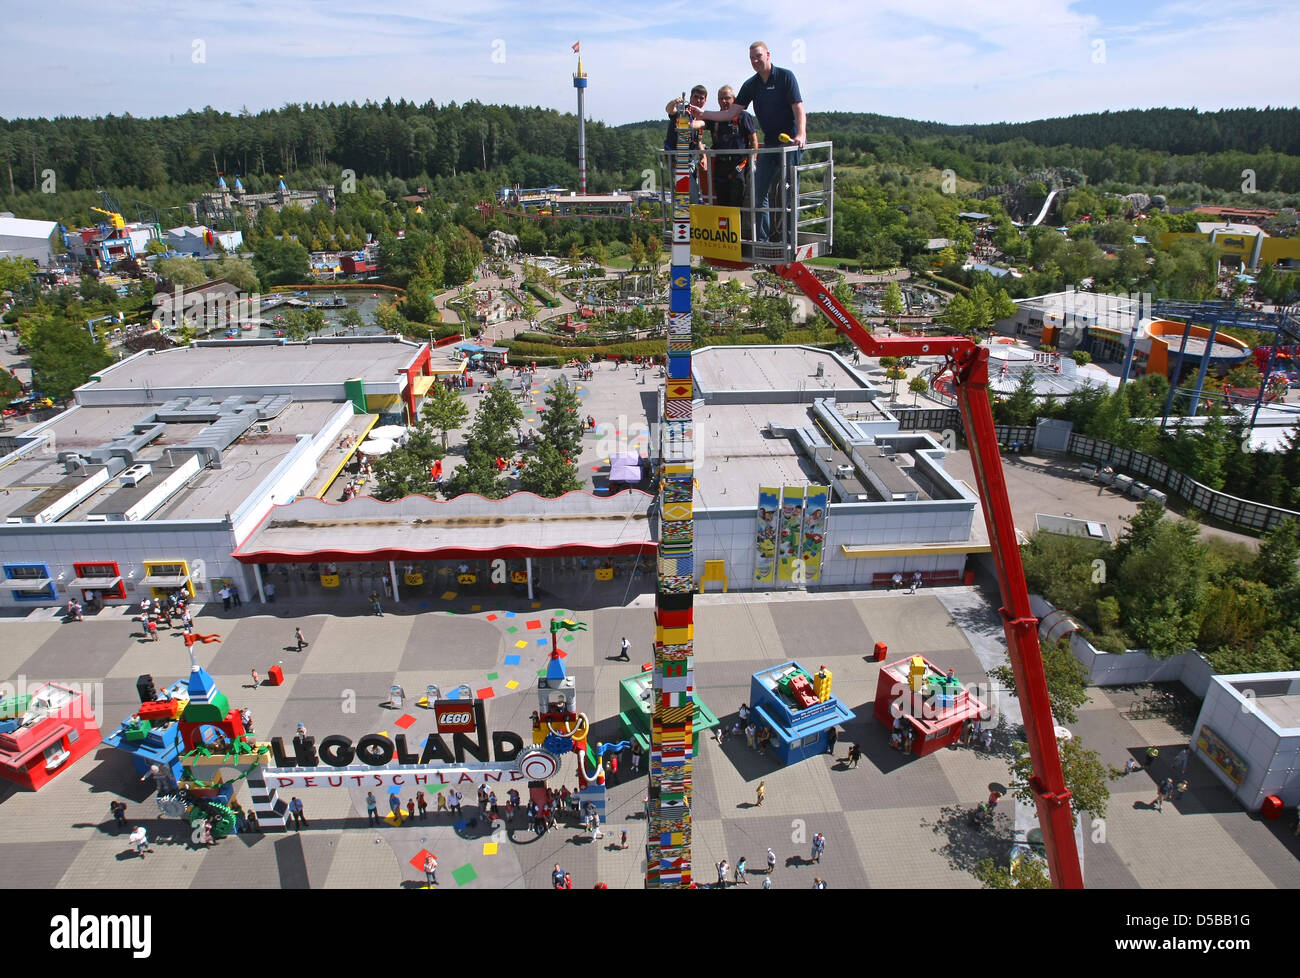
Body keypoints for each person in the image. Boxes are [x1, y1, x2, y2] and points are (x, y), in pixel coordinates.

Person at [688, 42, 805, 242]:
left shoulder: (786, 77)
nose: (755, 61)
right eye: (751, 58)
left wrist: (801, 133)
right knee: (759, 193)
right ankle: (763, 240)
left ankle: (788, 240)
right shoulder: (751, 85)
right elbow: (732, 111)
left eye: (758, 56)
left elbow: (798, 107)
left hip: (791, 143)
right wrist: (703, 113)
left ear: (768, 55)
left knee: (789, 194)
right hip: (769, 145)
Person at [707, 86, 758, 208]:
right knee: (722, 203)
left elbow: (754, 141)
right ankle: (726, 227)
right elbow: (699, 123)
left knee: (736, 203)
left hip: (738, 166)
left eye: (727, 98)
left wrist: (753, 161)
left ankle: (737, 227)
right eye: (721, 99)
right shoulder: (715, 118)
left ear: (734, 99)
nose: (724, 101)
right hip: (720, 166)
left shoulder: (743, 116)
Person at [664, 86, 710, 203]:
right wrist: (675, 102)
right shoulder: (681, 111)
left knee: (688, 196)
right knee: (693, 197)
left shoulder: (699, 116)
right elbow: (669, 110)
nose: (698, 101)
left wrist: (703, 157)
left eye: (701, 98)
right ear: (690, 98)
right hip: (677, 160)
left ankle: (688, 219)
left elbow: (699, 141)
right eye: (696, 97)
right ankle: (692, 218)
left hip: (690, 161)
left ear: (705, 101)